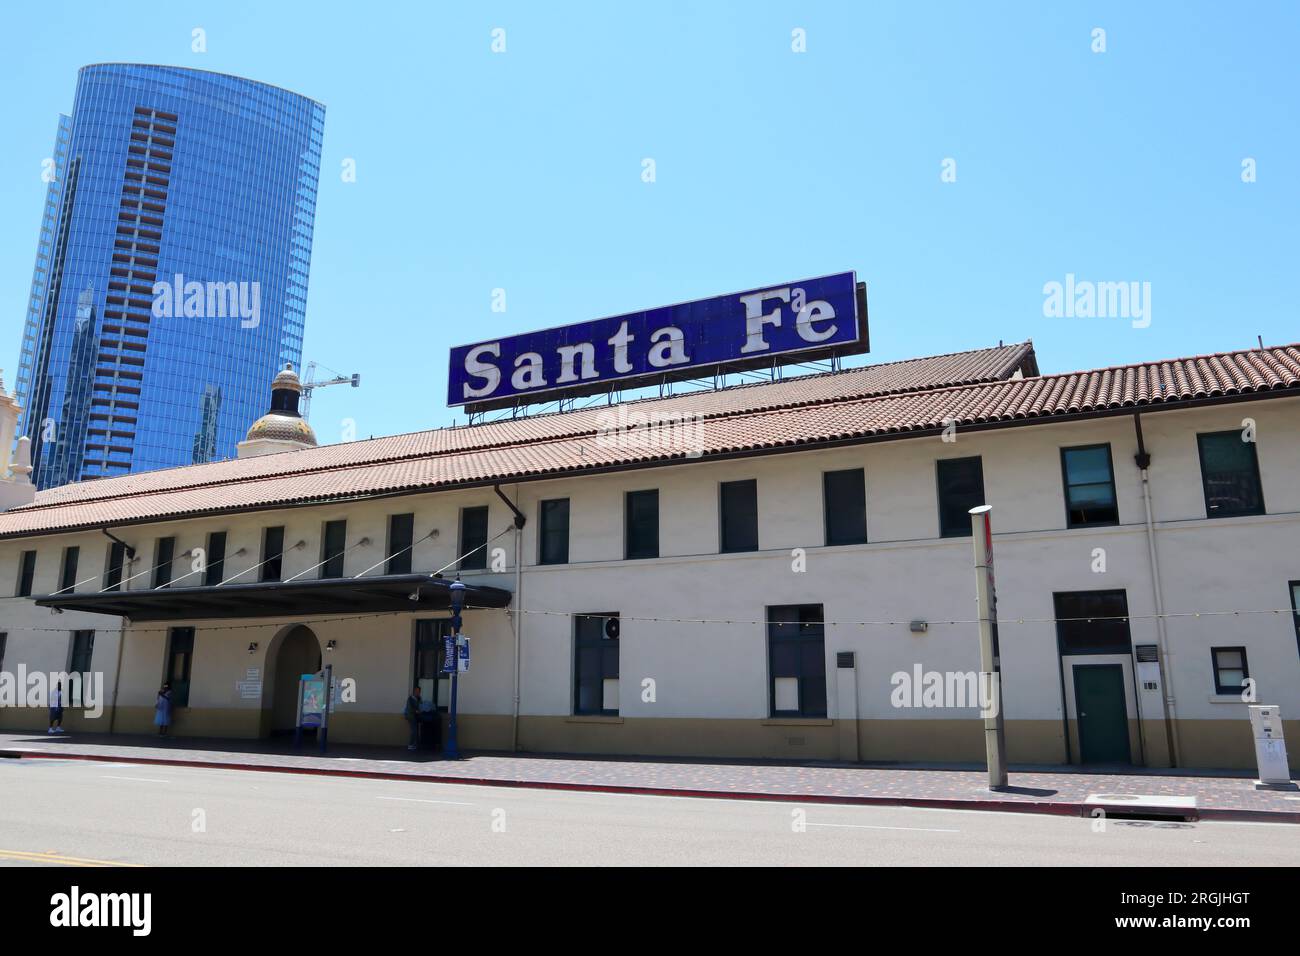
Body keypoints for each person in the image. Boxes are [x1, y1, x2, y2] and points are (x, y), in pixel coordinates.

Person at [404, 685, 423, 750]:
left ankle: (415, 744)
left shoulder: (418, 698)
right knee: (414, 730)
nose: (418, 692)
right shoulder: (410, 699)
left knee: (416, 730)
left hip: (416, 716)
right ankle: (411, 744)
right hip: (411, 716)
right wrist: (417, 711)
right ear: (414, 691)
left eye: (419, 691)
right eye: (417, 691)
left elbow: (421, 705)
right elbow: (411, 708)